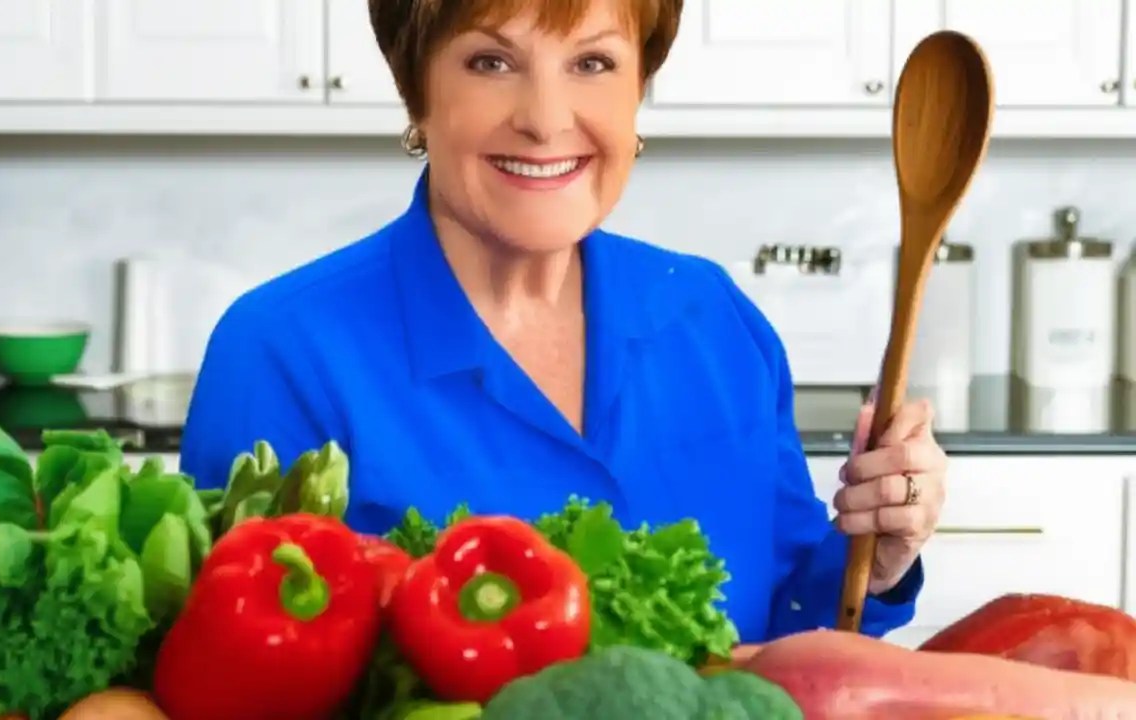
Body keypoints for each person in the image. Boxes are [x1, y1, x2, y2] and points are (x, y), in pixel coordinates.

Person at [179, 0, 949, 644]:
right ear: (417, 93)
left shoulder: (715, 322)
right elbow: (248, 671)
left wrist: (871, 562)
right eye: (491, 62)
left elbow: (789, 629)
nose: (546, 122)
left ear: (638, 88)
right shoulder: (282, 352)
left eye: (592, 63)